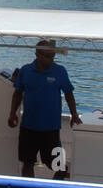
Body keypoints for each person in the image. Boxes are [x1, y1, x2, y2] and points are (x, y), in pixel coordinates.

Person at [8, 39, 80, 178]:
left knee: (58, 165)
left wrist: (74, 114)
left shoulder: (59, 71)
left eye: (52, 56)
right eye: (47, 56)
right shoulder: (25, 70)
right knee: (28, 163)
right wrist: (12, 114)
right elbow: (17, 94)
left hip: (51, 128)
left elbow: (69, 93)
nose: (50, 60)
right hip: (29, 126)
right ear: (37, 54)